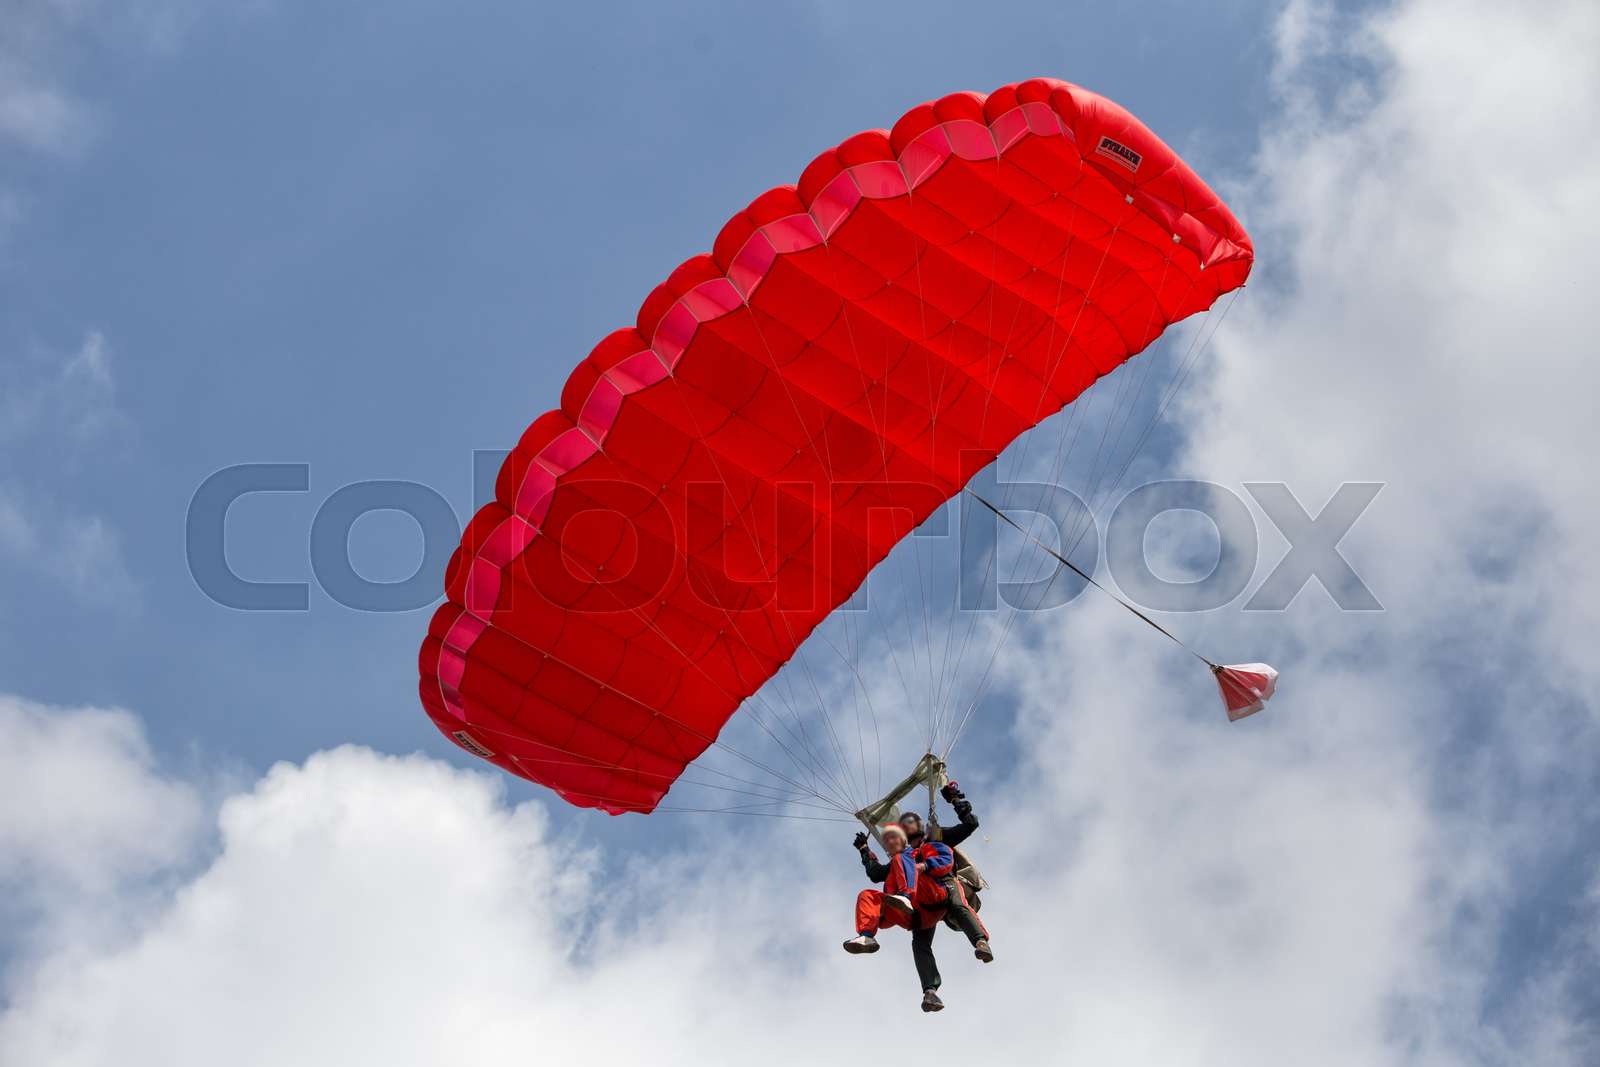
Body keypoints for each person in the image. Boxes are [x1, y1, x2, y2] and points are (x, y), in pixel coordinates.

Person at [843, 823, 947, 1012]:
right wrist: (864, 851)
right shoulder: (894, 864)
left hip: (925, 903)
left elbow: (946, 850)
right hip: (906, 915)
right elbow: (875, 874)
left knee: (901, 859)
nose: (890, 842)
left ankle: (906, 895)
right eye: (887, 840)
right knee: (867, 895)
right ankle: (867, 935)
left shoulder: (918, 853)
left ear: (904, 840)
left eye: (894, 837)